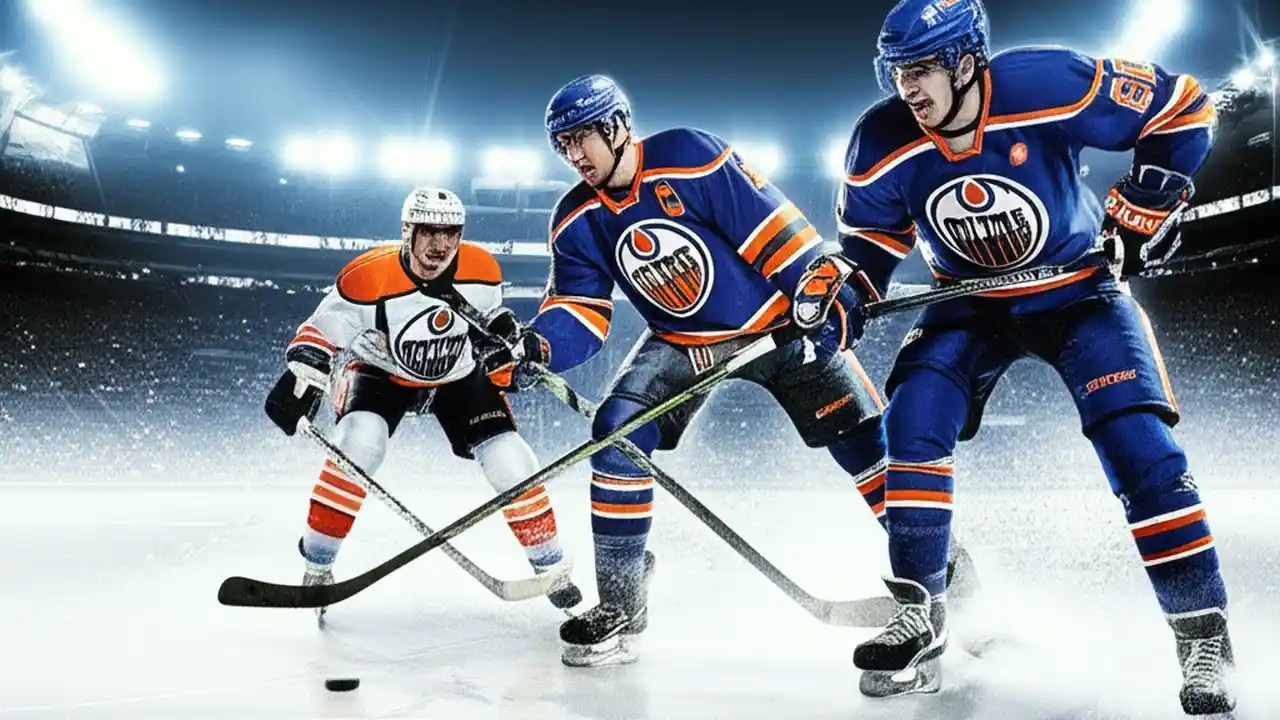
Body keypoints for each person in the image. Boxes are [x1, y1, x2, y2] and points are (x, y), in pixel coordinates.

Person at [807, 0, 1231, 713]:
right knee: (909, 426)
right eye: (898, 71)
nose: (906, 88)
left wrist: (1144, 204)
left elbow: (1184, 108)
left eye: (922, 69)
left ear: (967, 60)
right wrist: (845, 290)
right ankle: (923, 611)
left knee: (1140, 448)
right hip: (969, 300)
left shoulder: (1046, 83)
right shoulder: (878, 140)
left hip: (1077, 293)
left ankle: (1201, 634)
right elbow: (872, 243)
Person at [483, 74, 977, 669]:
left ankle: (941, 568)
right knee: (615, 437)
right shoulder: (575, 218)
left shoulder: (690, 156)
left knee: (868, 447)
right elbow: (580, 312)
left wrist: (816, 296)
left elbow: (777, 232)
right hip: (683, 342)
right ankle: (620, 604)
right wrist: (534, 347)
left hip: (778, 325)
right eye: (563, 146)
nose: (574, 156)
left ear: (617, 126)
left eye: (583, 137)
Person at [264, 187, 582, 620]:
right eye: (428, 231)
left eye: (450, 233)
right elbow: (325, 327)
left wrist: (509, 354)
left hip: (456, 374)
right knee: (358, 444)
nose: (440, 245)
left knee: (512, 459)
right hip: (381, 373)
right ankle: (318, 562)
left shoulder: (482, 269)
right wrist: (305, 369)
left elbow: (491, 326)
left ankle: (551, 568)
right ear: (406, 231)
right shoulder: (368, 276)